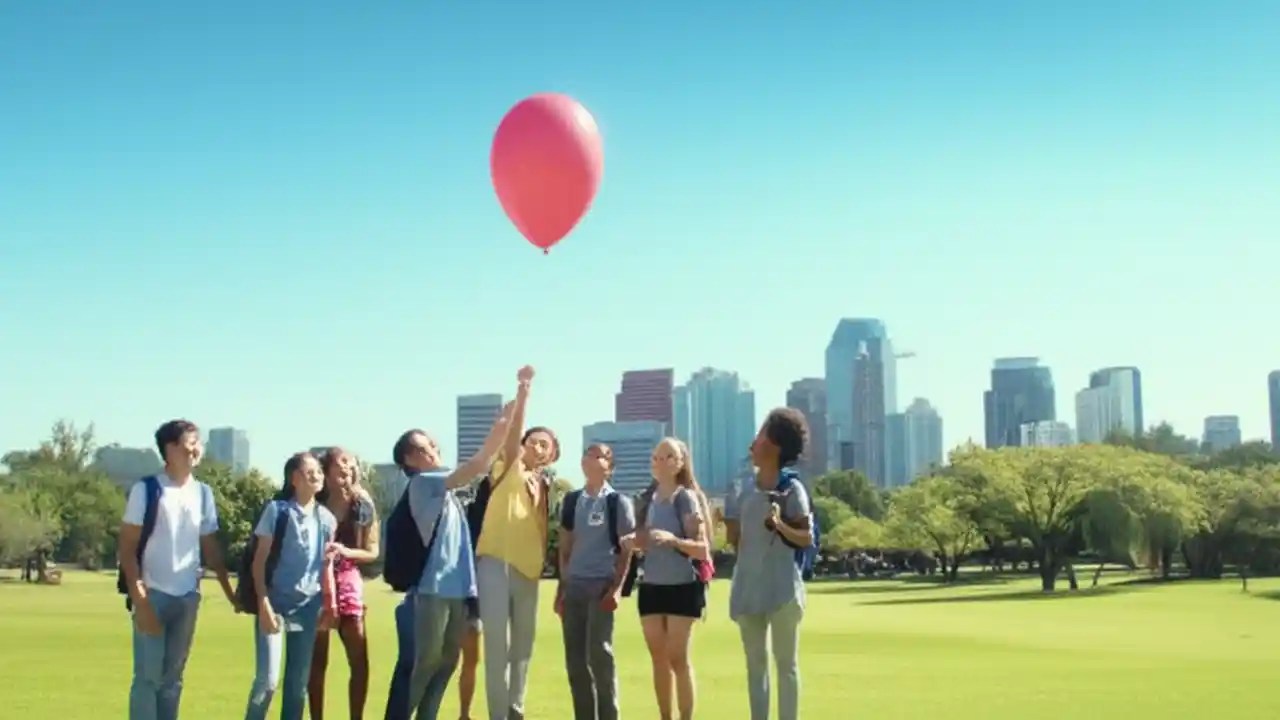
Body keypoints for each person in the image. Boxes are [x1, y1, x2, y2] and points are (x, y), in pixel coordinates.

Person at [387, 394, 515, 719]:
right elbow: (476, 466)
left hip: (459, 590)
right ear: (409, 459)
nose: (433, 449)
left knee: (447, 662)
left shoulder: (449, 496)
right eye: (424, 447)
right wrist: (501, 428)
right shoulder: (422, 484)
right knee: (426, 662)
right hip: (432, 589)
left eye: (433, 444)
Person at [118, 419, 237, 720]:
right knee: (147, 678)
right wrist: (141, 601)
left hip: (187, 598)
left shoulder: (204, 494)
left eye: (198, 443)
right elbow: (127, 549)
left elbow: (210, 548)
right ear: (170, 448)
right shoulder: (147, 490)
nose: (196, 449)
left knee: (173, 680)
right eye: (190, 443)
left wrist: (231, 593)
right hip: (153, 594)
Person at [472, 366, 556, 720]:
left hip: (528, 570)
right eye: (532, 440)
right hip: (495, 562)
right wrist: (523, 394)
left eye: (545, 444)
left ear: (552, 455)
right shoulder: (507, 469)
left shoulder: (545, 486)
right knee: (497, 646)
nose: (537, 445)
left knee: (522, 648)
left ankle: (515, 709)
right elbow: (512, 435)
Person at [724, 409, 814, 720]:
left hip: (783, 589)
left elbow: (805, 537)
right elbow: (736, 541)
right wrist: (726, 522)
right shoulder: (741, 489)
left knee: (786, 665)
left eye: (760, 435)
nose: (753, 443)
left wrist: (779, 525)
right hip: (748, 587)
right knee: (755, 666)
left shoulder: (792, 489)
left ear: (774, 445)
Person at [246, 452, 340, 720]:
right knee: (267, 681)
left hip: (308, 607)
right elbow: (258, 562)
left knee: (298, 686)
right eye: (310, 472)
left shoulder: (327, 519)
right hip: (274, 604)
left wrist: (329, 603)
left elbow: (325, 565)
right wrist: (263, 603)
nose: (317, 476)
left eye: (319, 472)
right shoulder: (277, 512)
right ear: (294, 478)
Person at [555, 443, 637, 720]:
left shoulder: (617, 502)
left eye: (599, 455)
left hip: (601, 584)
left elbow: (627, 550)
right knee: (575, 660)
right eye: (587, 454)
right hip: (574, 586)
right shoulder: (571, 501)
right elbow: (565, 548)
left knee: (600, 654)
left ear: (609, 468)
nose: (591, 458)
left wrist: (617, 589)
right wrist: (562, 589)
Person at [634, 438, 712, 720]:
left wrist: (673, 540)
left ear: (680, 463)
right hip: (651, 586)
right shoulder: (646, 499)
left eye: (668, 456)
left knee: (677, 658)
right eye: (656, 457)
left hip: (682, 585)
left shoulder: (686, 498)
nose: (661, 461)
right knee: (658, 658)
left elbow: (702, 549)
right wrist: (634, 542)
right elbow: (642, 540)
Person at [308, 448, 380, 720]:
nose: (348, 467)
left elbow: (372, 552)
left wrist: (345, 551)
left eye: (351, 463)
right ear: (326, 470)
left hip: (348, 582)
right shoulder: (314, 502)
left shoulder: (362, 504)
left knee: (359, 660)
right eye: (342, 462)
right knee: (317, 662)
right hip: (314, 582)